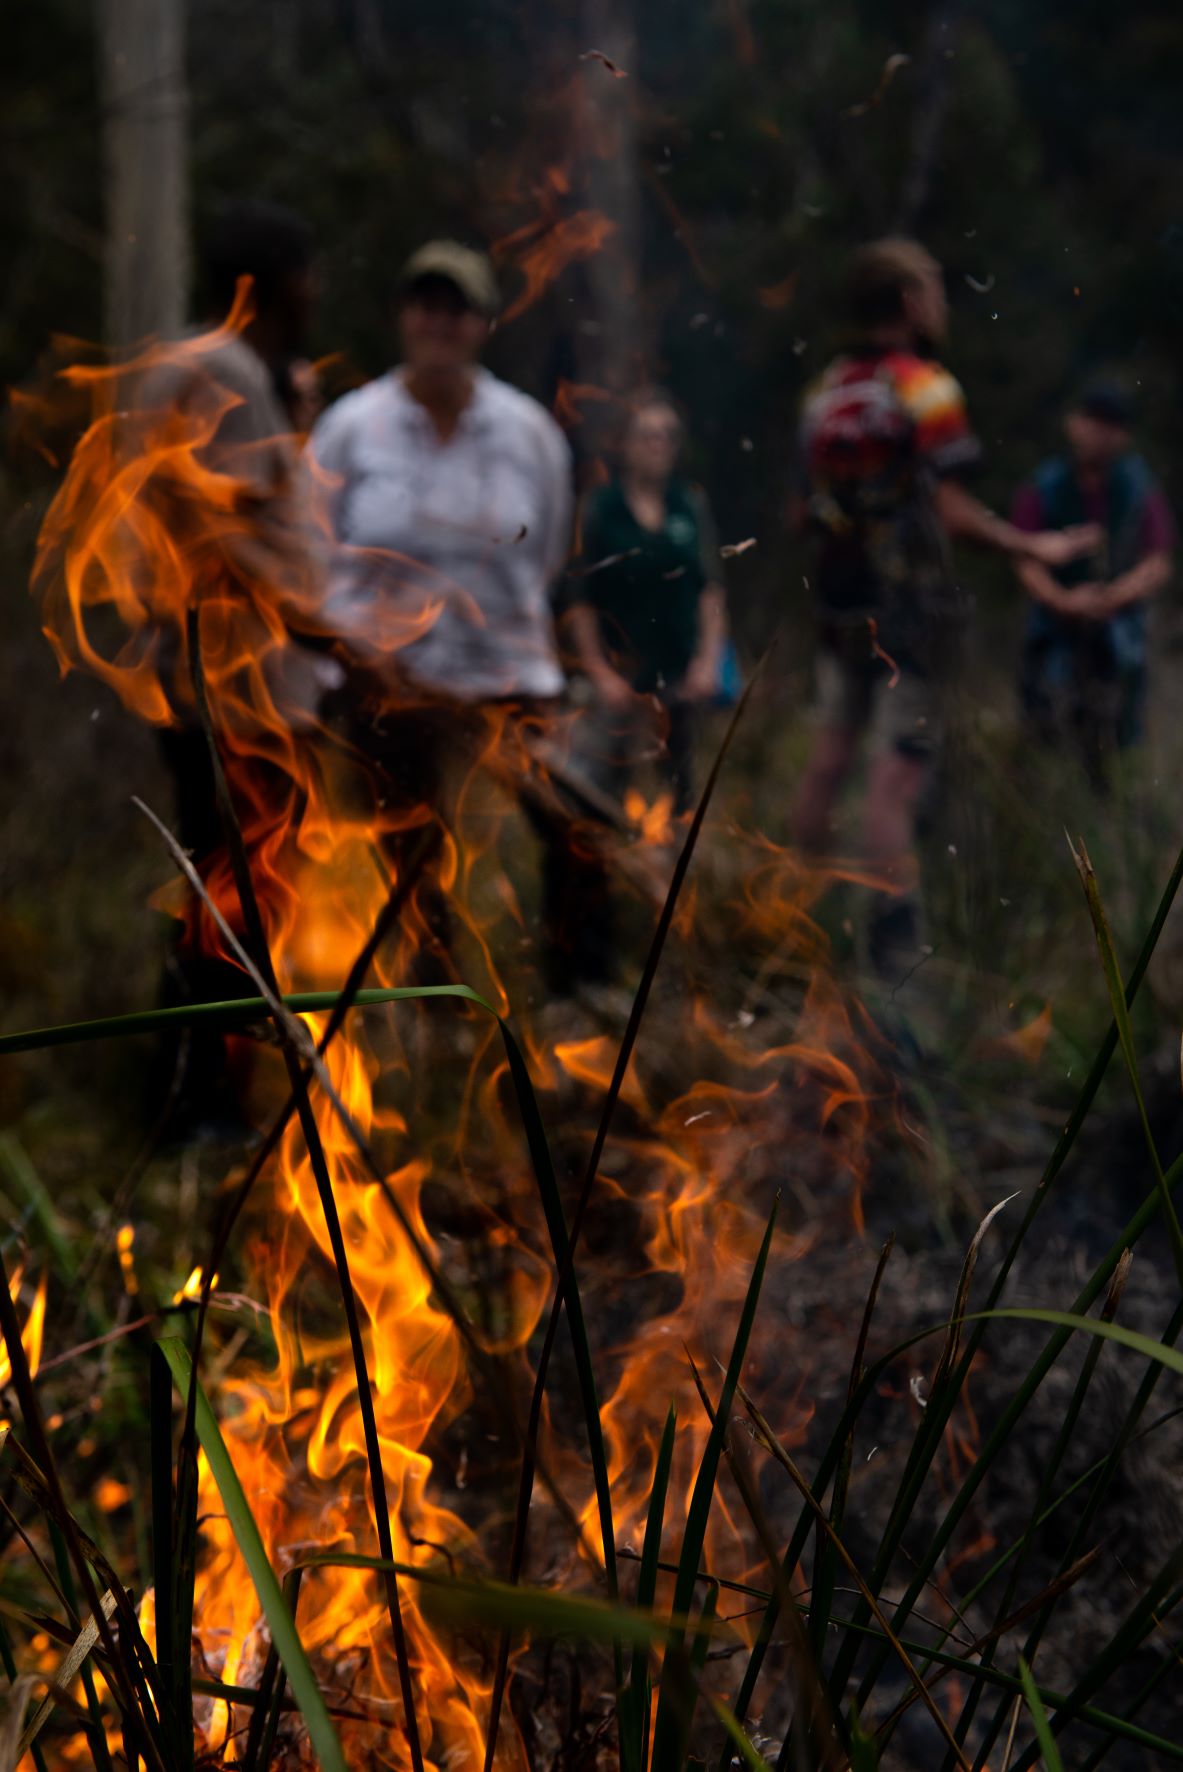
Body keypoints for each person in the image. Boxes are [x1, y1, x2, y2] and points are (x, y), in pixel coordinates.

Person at [792, 238, 1099, 975]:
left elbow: (799, 511)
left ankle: (792, 917)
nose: (941, 303)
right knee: (893, 784)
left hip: (837, 605)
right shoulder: (922, 386)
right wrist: (1033, 548)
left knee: (831, 756)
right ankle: (894, 960)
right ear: (905, 303)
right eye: (931, 288)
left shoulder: (825, 392)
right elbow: (955, 512)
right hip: (905, 613)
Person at [308, 241, 597, 990]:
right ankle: (439, 1005)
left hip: (506, 671)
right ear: (404, 317)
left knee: (572, 828)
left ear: (482, 324)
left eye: (457, 309)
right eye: (426, 305)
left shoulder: (527, 431)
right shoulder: (352, 426)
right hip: (387, 677)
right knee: (409, 850)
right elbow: (314, 550)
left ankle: (578, 993)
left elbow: (549, 549)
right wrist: (334, 667)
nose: (439, 323)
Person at [565, 389, 728, 818]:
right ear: (625, 443)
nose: (659, 445)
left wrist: (708, 664)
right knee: (597, 799)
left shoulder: (688, 506)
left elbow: (709, 589)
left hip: (677, 683)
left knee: (676, 796)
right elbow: (580, 598)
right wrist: (598, 672)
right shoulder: (601, 509)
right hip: (616, 686)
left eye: (668, 436)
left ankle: (669, 876)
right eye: (648, 435)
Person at [1013, 381, 1174, 785]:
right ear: (1074, 424)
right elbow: (1025, 558)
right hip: (1055, 628)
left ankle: (1102, 810)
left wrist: (1113, 597)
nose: (1099, 434)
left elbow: (1158, 561)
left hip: (1117, 632)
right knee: (1043, 728)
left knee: (1113, 737)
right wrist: (1063, 600)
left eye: (1110, 425)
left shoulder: (1139, 488)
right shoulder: (1045, 484)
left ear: (1123, 435)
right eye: (1092, 421)